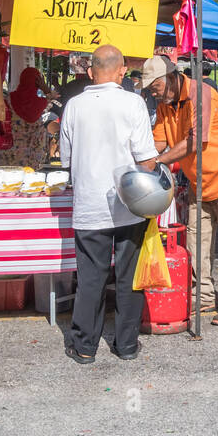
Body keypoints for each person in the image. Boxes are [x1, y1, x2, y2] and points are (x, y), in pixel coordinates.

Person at [59, 45, 158, 363]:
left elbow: (66, 159)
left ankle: (85, 346)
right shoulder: (134, 103)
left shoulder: (74, 106)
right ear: (121, 71)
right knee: (129, 277)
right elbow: (147, 161)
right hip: (129, 204)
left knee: (91, 278)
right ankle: (126, 344)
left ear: (90, 71)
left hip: (88, 205)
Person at [144, 54, 218, 325]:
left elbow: (196, 140)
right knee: (196, 243)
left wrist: (157, 161)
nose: (154, 95)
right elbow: (158, 142)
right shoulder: (165, 104)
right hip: (198, 182)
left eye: (155, 89)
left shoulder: (200, 94)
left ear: (169, 79)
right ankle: (201, 296)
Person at [9, 67, 52, 168]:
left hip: (11, 153)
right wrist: (45, 88)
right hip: (34, 154)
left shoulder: (8, 99)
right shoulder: (41, 102)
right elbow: (55, 99)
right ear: (37, 83)